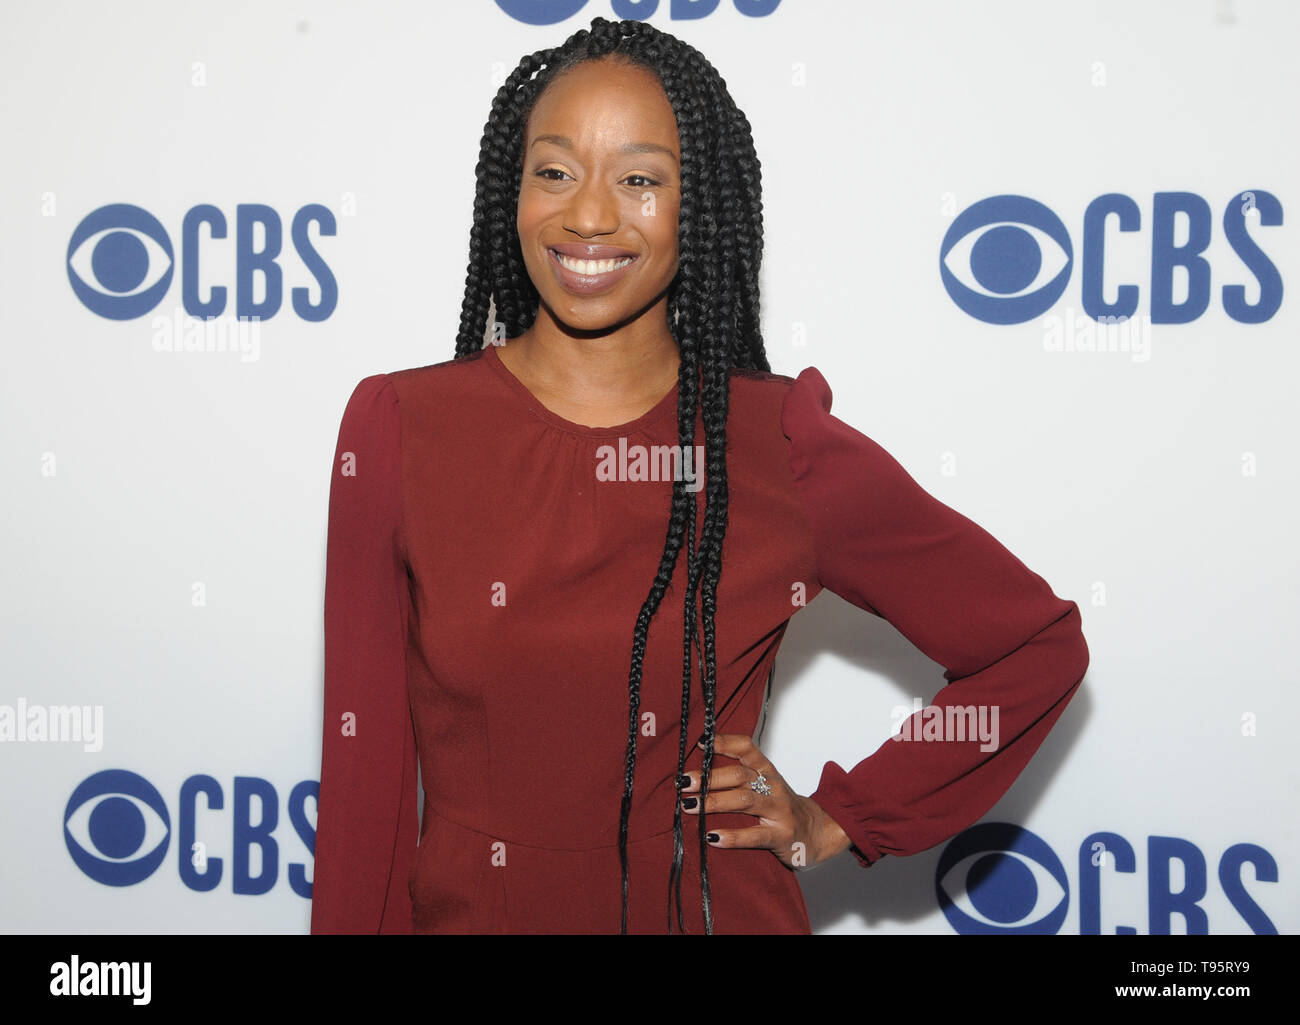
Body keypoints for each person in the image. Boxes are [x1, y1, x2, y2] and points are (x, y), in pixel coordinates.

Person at [309, 16, 1089, 935]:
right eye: (553, 171)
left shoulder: (778, 445)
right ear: (507, 193)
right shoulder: (401, 428)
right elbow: (366, 793)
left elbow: (1032, 648)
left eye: (640, 179)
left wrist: (839, 815)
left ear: (703, 203)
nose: (588, 215)